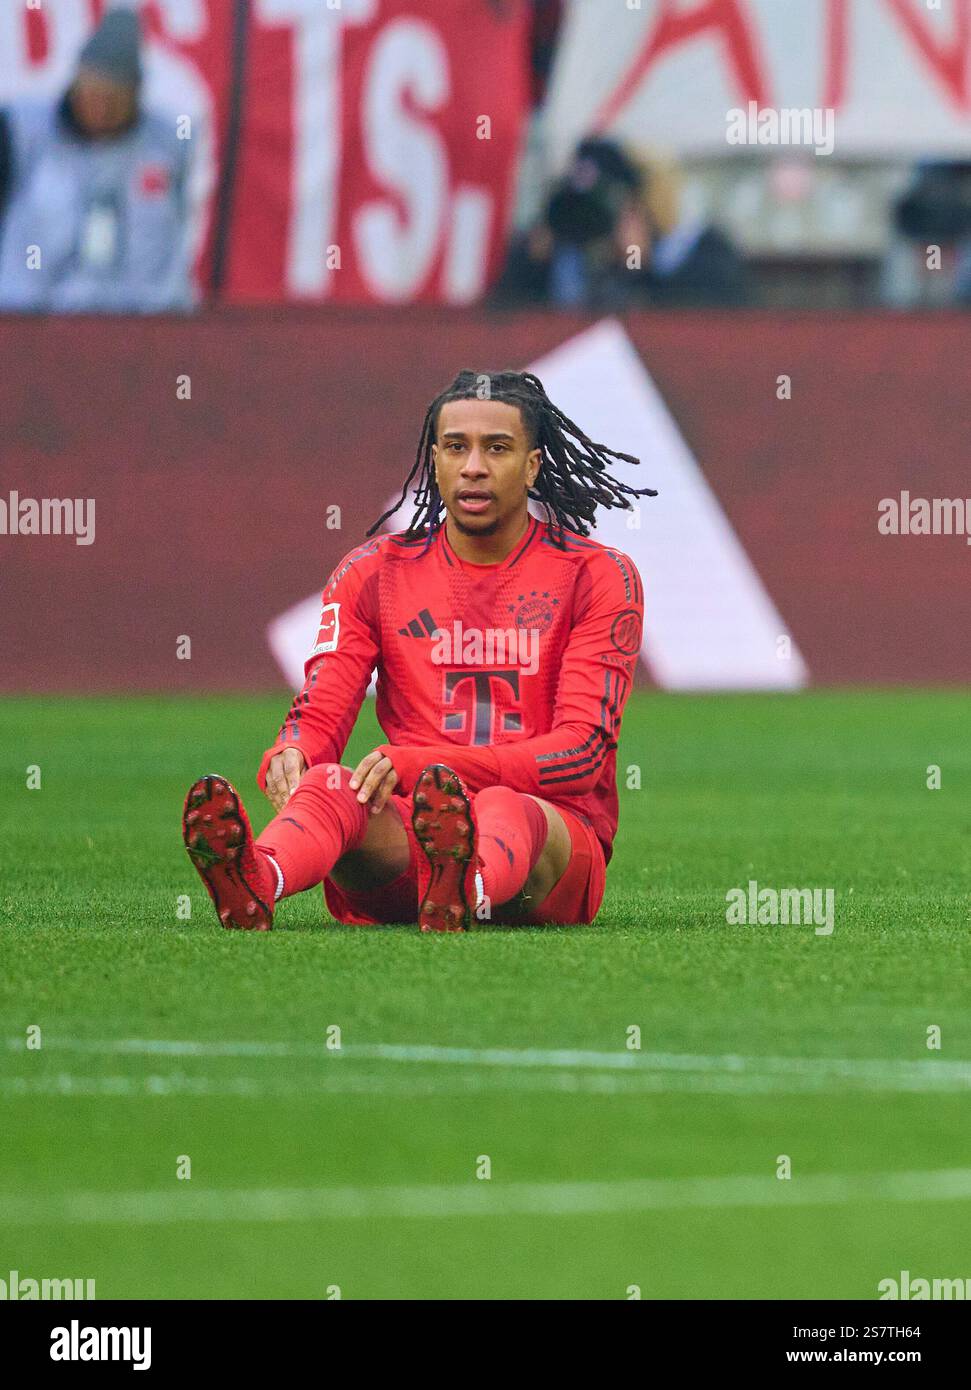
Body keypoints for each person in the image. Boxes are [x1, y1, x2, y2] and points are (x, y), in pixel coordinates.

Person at [182, 370, 654, 932]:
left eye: (496, 448)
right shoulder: (373, 571)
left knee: (503, 806)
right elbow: (322, 705)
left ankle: (464, 886)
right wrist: (294, 752)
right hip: (414, 838)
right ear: (434, 460)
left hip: (552, 851)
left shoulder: (599, 575)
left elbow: (582, 753)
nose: (473, 466)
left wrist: (431, 765)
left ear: (533, 465)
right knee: (330, 786)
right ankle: (260, 878)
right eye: (456, 447)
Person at [0, 8, 195, 313]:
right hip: (33, 324)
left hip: (142, 329)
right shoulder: (21, 132)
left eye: (114, 99)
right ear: (76, 82)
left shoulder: (169, 143)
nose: (101, 111)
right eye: (93, 94)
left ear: (136, 93)